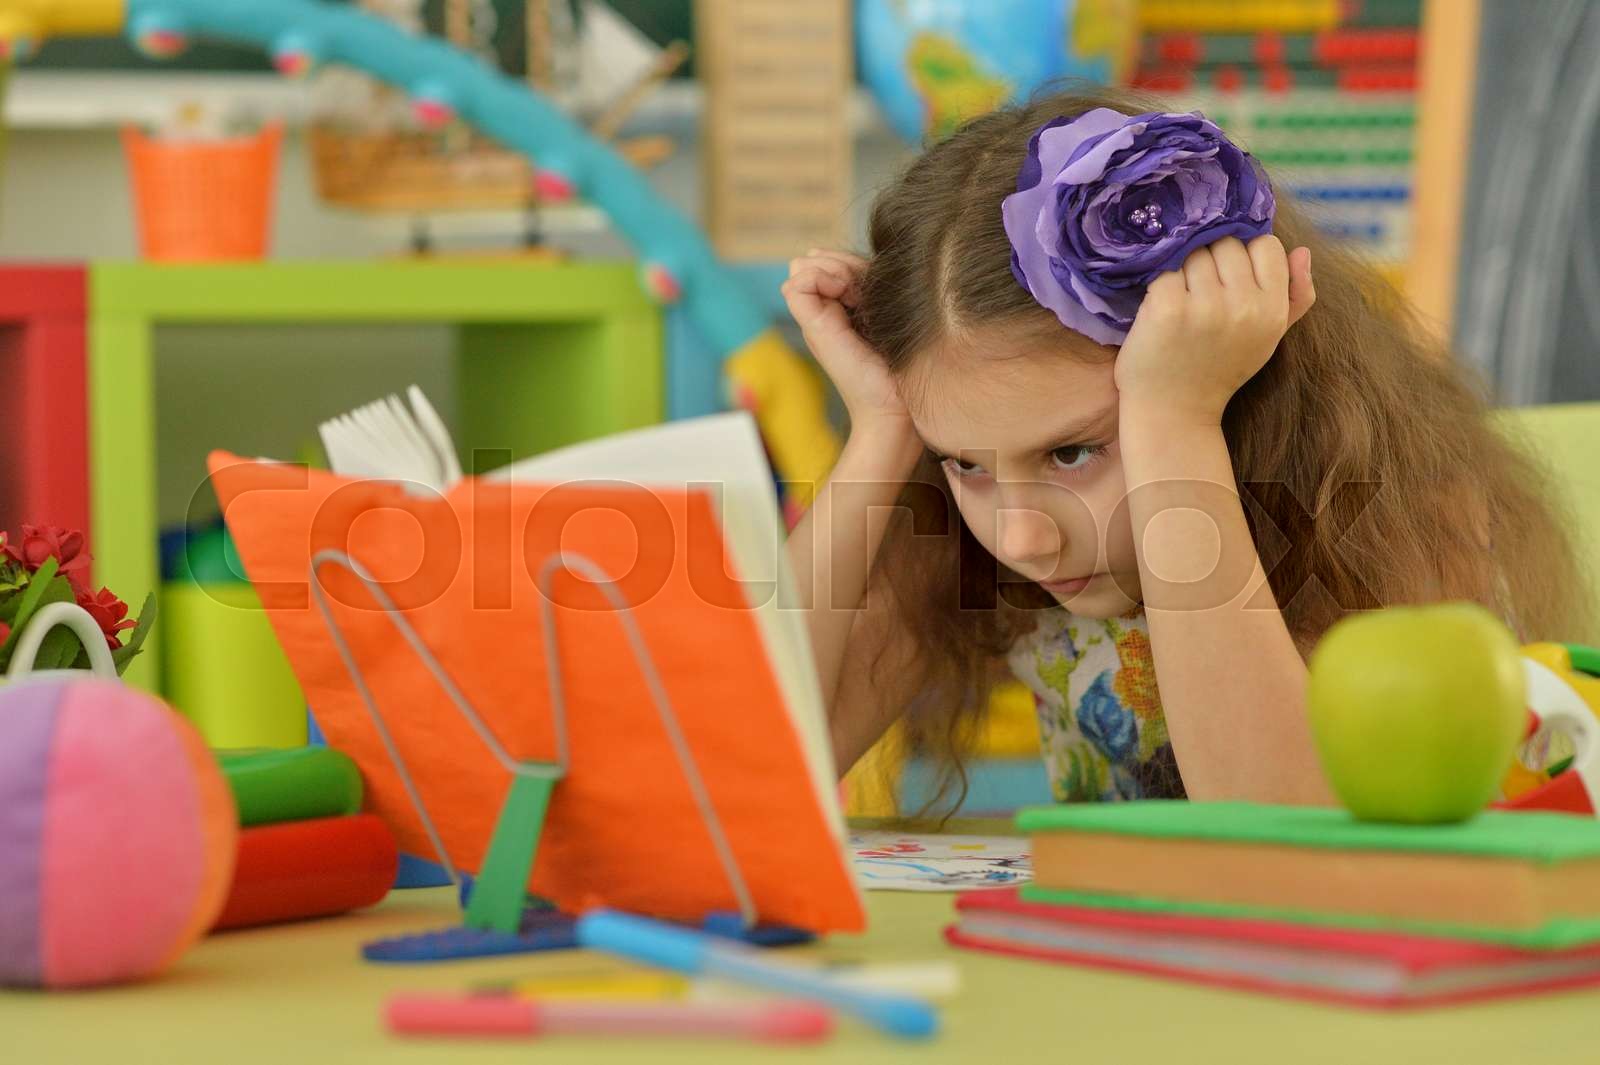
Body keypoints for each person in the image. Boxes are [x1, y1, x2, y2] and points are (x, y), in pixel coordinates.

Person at [782, 87, 1593, 809]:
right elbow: (760, 773)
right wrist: (882, 433)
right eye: (966, 462)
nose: (1023, 536)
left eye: (1071, 453)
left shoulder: (1397, 519)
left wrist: (1175, 425)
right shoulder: (974, 543)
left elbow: (1280, 839)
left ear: (1230, 378)